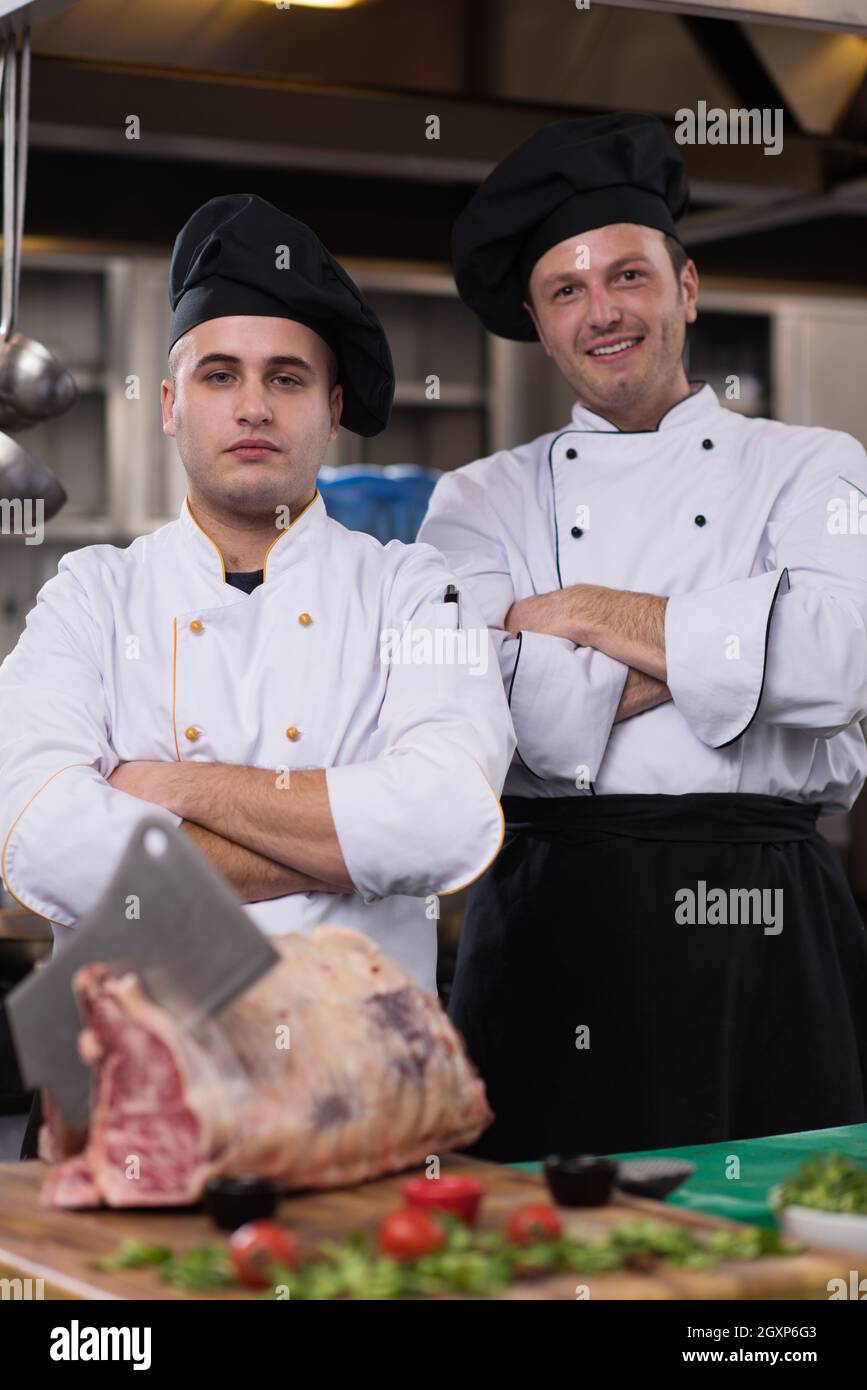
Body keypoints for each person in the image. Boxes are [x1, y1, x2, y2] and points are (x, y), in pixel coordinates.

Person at [0, 193, 515, 1156]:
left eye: (285, 378)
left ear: (329, 411)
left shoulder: (417, 592)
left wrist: (173, 790)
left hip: (357, 1104)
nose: (250, 406)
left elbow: (449, 816)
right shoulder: (90, 593)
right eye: (219, 374)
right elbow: (34, 833)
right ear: (169, 403)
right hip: (129, 1106)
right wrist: (347, 849)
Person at [418, 113, 867, 1162]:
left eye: (628, 275)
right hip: (550, 916)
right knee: (534, 1242)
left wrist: (571, 616)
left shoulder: (815, 465)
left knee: (774, 1250)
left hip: (766, 915)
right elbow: (467, 704)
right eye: (566, 289)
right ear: (536, 317)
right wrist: (743, 633)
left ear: (687, 288)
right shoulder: (477, 498)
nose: (602, 311)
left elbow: (841, 660)